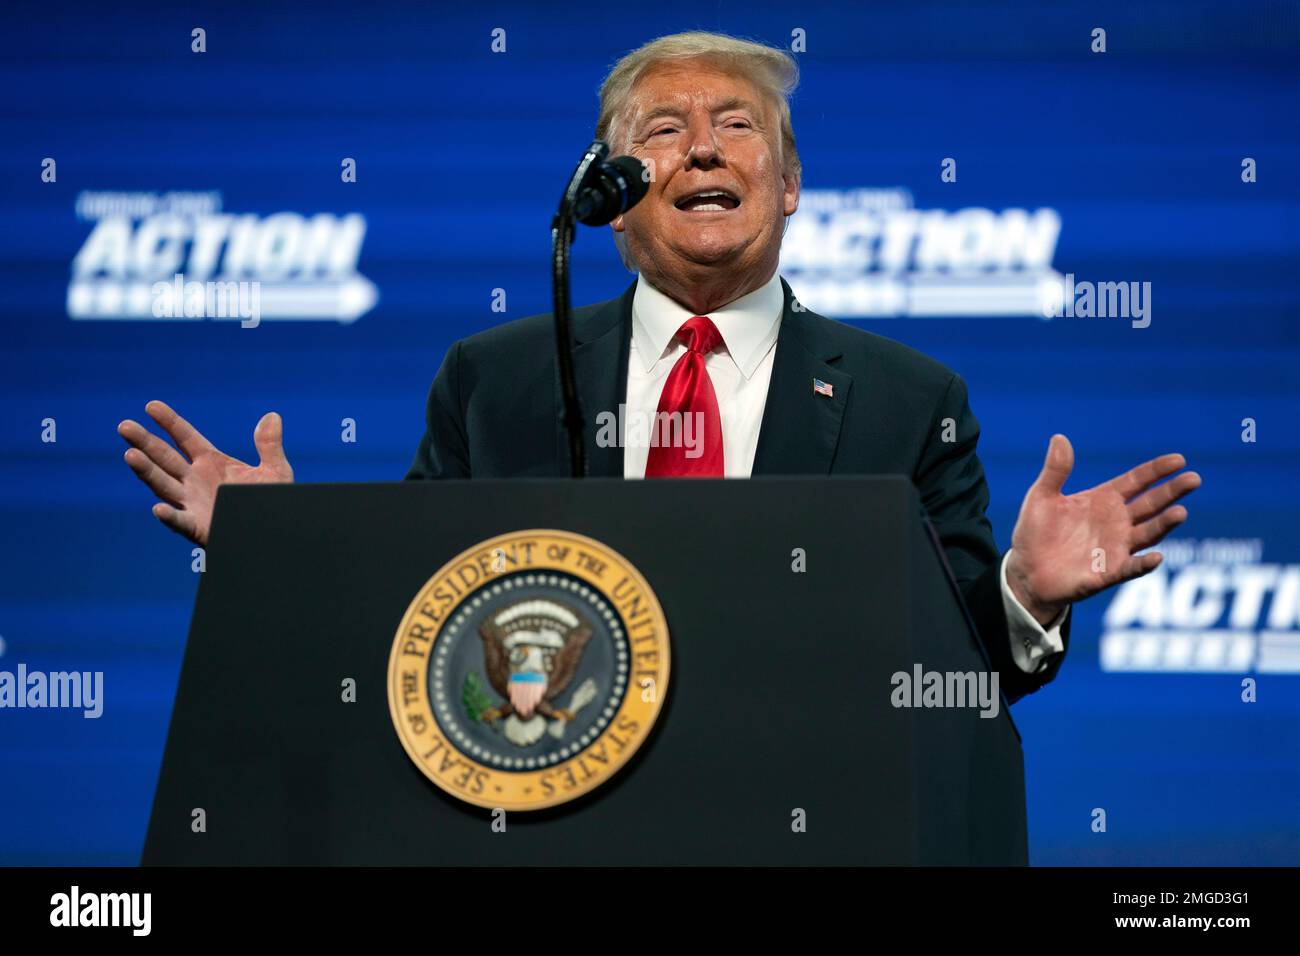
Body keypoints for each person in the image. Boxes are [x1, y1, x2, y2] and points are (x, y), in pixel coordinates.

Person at [117, 31, 1199, 703]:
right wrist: (282, 553)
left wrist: (1020, 593)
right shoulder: (494, 382)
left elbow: (957, 678)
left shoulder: (909, 401)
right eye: (665, 131)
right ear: (611, 186)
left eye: (737, 126)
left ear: (788, 186)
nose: (706, 149)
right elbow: (420, 628)